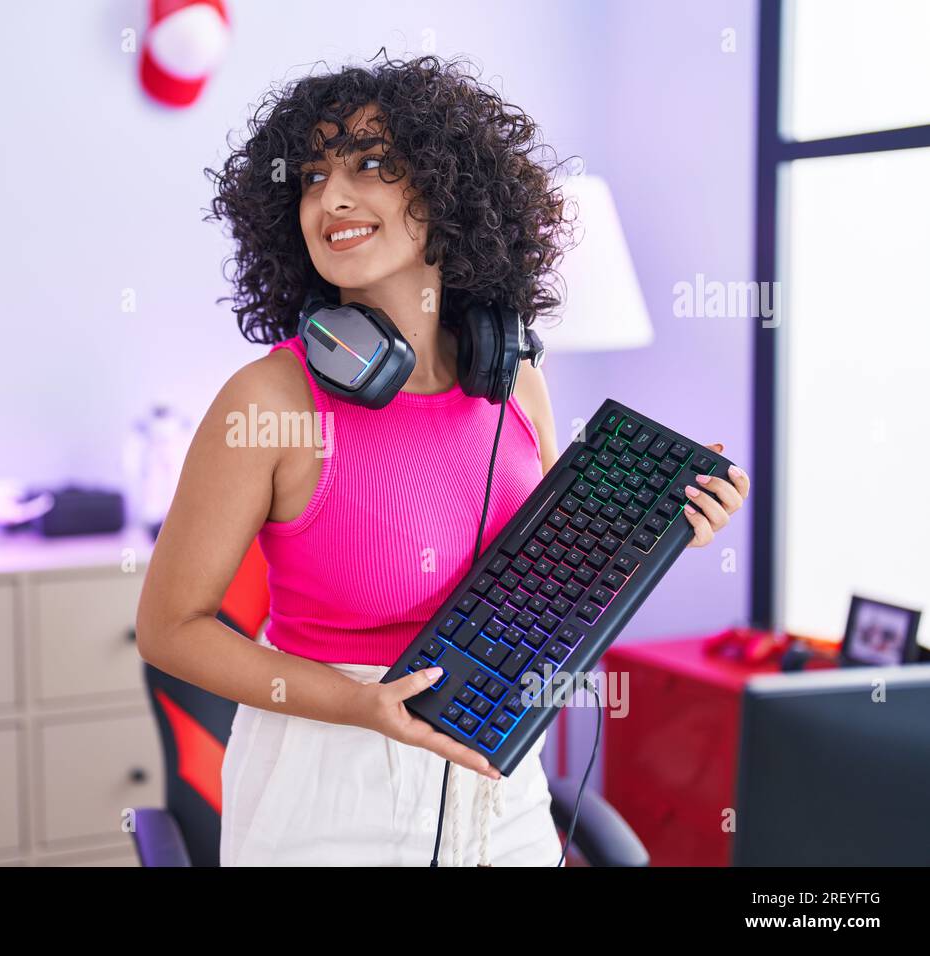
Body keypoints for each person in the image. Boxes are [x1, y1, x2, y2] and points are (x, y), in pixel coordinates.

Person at [136, 53, 750, 866]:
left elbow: (543, 588)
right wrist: (360, 705)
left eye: (370, 164)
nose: (332, 198)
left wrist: (662, 525)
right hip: (332, 795)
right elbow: (169, 629)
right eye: (312, 178)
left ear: (448, 190)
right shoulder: (269, 400)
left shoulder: (515, 381)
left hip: (503, 790)